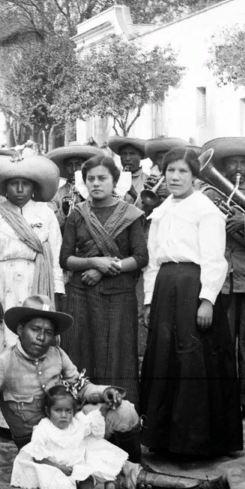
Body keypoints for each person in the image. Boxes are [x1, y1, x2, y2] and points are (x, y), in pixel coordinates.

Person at [0, 296, 231, 489]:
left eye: (48, 331)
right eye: (35, 329)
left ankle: (187, 484)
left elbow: (81, 386)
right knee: (101, 471)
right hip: (41, 445)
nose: (42, 337)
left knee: (124, 412)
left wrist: (102, 393)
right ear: (20, 329)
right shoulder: (1, 365)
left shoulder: (58, 354)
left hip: (71, 429)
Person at [139, 147, 240, 458]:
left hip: (194, 288)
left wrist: (207, 299)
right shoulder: (161, 210)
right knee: (165, 358)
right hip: (166, 287)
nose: (175, 177)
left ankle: (195, 441)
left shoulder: (205, 209)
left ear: (194, 176)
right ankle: (162, 437)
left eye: (183, 171)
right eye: (170, 171)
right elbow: (154, 261)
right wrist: (148, 300)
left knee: (194, 358)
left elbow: (214, 258)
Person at [0, 153, 64, 428]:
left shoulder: (45, 214)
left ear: (34, 187)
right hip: (3, 282)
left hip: (34, 282)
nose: (18, 190)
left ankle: (30, 412)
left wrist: (56, 292)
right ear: (4, 187)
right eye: (13, 184)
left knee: (30, 346)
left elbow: (56, 257)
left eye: (24, 184)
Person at [59, 155, 148, 412]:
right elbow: (66, 259)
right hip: (81, 295)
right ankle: (78, 414)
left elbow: (140, 257)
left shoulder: (131, 215)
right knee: (81, 351)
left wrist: (108, 268)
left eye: (102, 178)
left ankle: (121, 415)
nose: (96, 184)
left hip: (117, 295)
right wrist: (94, 262)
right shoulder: (77, 214)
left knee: (116, 354)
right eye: (91, 179)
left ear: (115, 181)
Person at [202, 137, 245, 423]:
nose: (238, 167)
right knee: (221, 341)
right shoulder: (209, 195)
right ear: (224, 166)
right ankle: (225, 397)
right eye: (232, 162)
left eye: (243, 162)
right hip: (219, 279)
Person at [46, 144, 100, 224]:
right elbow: (50, 224)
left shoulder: (97, 190)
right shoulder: (55, 195)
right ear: (64, 167)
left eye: (78, 164)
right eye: (69, 165)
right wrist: (63, 211)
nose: (74, 169)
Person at [107, 136, 148, 203]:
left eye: (132, 154)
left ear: (140, 156)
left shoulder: (147, 181)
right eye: (124, 154)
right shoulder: (112, 178)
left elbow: (149, 209)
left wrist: (134, 194)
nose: (127, 158)